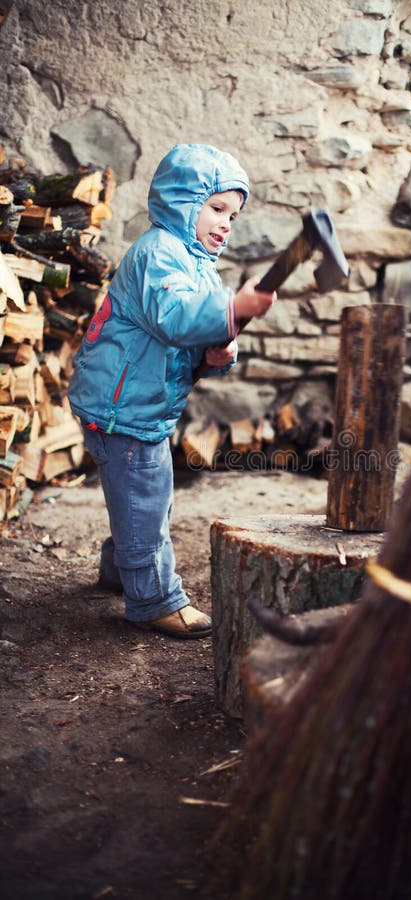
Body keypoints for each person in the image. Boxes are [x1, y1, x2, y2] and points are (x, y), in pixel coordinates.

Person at [68, 144, 276, 639]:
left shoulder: (195, 262)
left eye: (234, 215)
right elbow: (176, 317)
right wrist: (231, 307)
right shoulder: (160, 252)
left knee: (140, 497)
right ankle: (155, 600)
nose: (226, 223)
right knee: (145, 497)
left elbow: (190, 337)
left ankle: (121, 571)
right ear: (183, 201)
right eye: (217, 208)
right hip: (122, 409)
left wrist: (216, 355)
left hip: (137, 405)